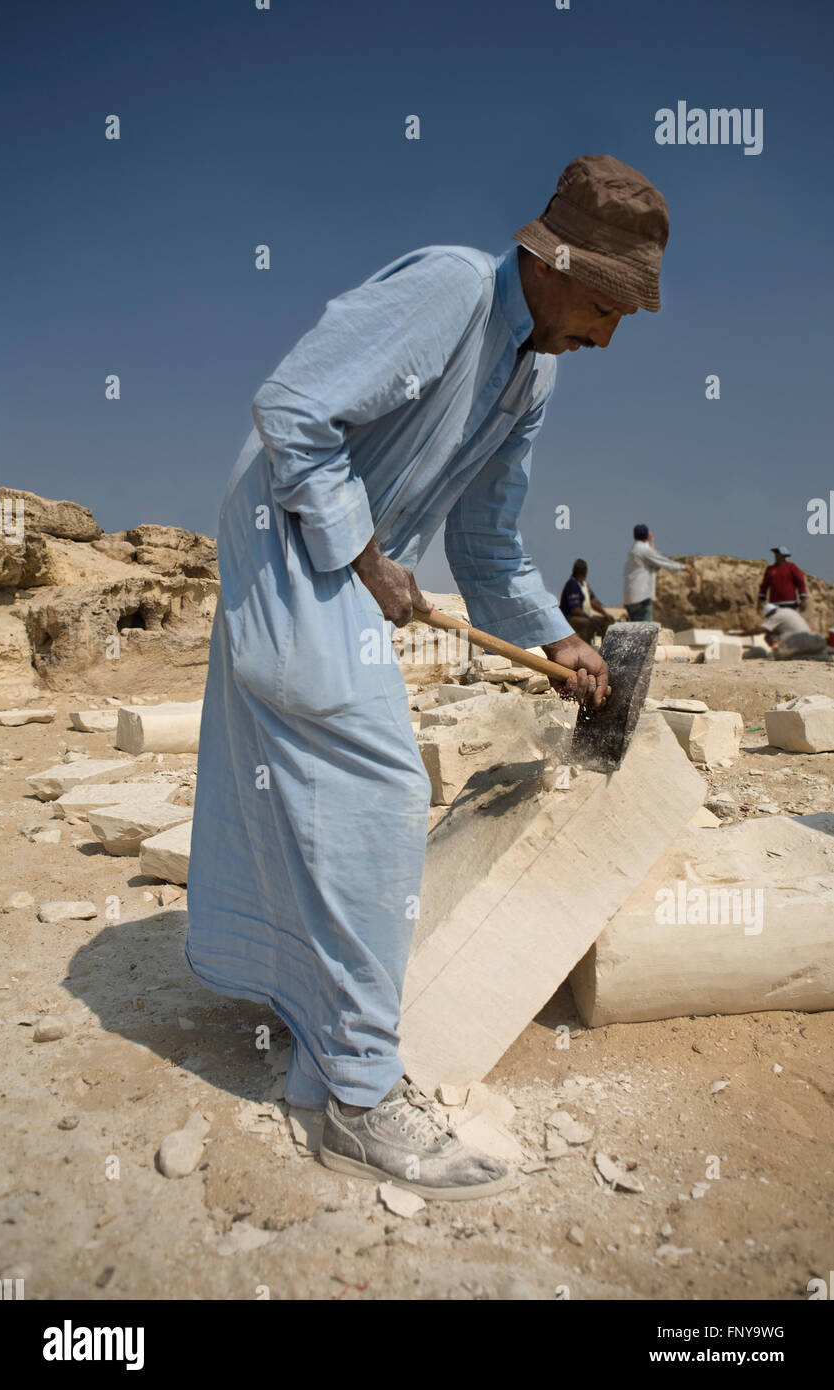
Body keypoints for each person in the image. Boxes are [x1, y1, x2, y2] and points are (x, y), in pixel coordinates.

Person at [185, 154, 669, 1201]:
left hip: (343, 563)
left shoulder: (533, 372)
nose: (605, 335)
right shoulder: (451, 287)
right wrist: (365, 552)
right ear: (552, 262)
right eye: (604, 304)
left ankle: (320, 1055)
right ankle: (361, 1102)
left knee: (312, 794)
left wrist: (555, 640)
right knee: (382, 788)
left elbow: (489, 540)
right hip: (285, 536)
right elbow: (294, 408)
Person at [623, 524, 694, 622]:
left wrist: (650, 541)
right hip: (641, 599)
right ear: (647, 535)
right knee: (645, 631)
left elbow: (651, 557)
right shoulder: (644, 551)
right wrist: (684, 567)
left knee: (635, 631)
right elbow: (663, 561)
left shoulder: (633, 551)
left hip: (630, 599)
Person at [733, 603, 828, 661]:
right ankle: (818, 656)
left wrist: (739, 634)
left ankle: (796, 656)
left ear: (770, 613)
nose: (768, 619)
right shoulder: (788, 611)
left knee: (776, 656)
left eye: (768, 617)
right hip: (814, 639)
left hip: (798, 642)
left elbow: (760, 630)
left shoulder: (776, 616)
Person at [560, 559, 614, 645]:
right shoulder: (572, 585)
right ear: (585, 572)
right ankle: (585, 646)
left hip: (584, 615)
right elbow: (575, 610)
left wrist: (605, 614)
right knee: (588, 623)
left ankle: (606, 647)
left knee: (608, 623)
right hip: (570, 618)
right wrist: (588, 617)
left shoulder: (583, 584)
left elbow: (592, 601)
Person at [757, 546, 808, 613]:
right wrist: (760, 601)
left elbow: (800, 583)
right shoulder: (770, 569)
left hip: (790, 604)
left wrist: (803, 599)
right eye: (775, 553)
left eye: (778, 553)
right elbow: (764, 586)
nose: (776, 555)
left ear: (783, 556)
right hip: (774, 605)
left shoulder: (792, 567)